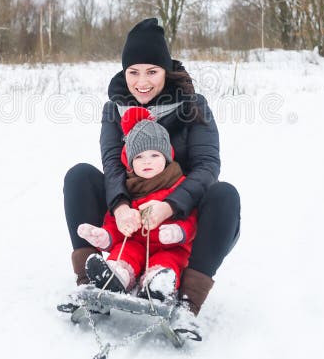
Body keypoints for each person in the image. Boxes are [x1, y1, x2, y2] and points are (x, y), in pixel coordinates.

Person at [63, 18, 241, 316]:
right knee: (79, 175)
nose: (141, 82)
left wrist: (169, 206)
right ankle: (92, 283)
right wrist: (120, 207)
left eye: (151, 72)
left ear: (165, 71)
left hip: (180, 220)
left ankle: (187, 300)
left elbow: (207, 167)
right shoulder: (114, 108)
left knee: (225, 194)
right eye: (133, 72)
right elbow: (112, 165)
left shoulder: (193, 105)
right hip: (130, 221)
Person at [78, 106, 197, 300]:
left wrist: (178, 231)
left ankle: (157, 284)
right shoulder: (127, 188)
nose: (146, 162)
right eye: (139, 157)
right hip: (135, 243)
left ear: (167, 157)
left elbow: (191, 217)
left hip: (168, 246)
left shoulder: (178, 186)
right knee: (124, 253)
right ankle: (116, 276)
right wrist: (106, 236)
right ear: (130, 162)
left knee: (168, 261)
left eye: (154, 155)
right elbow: (114, 221)